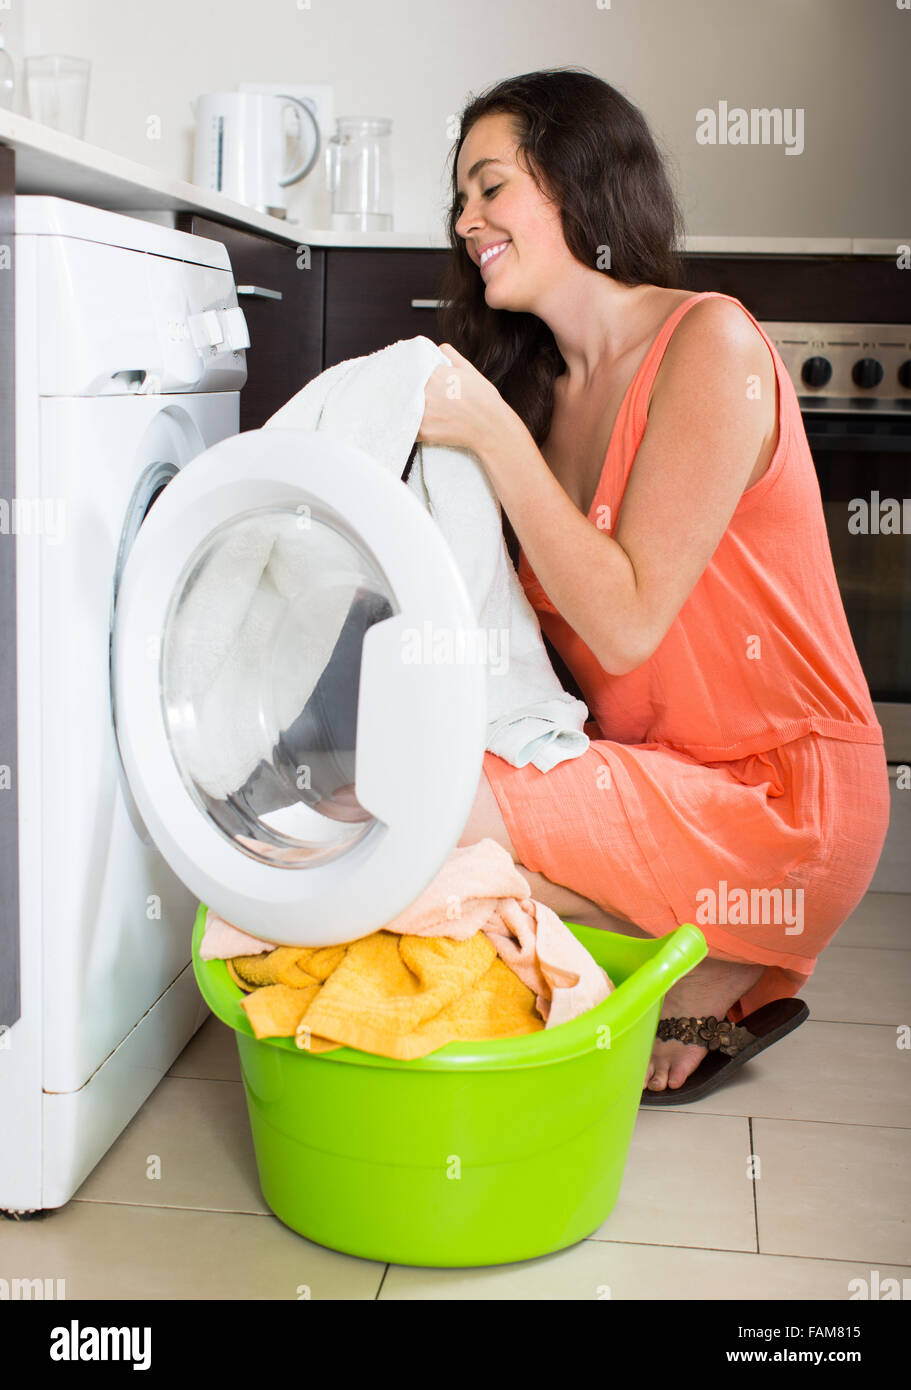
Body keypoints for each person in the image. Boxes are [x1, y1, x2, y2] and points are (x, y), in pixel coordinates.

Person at [415, 67, 890, 1101]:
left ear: (575, 182)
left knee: (419, 807)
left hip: (780, 800)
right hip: (642, 781)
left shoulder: (706, 343)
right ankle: (693, 961)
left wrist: (492, 439)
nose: (464, 220)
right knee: (405, 798)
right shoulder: (539, 389)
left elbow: (625, 625)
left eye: (490, 187)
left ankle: (699, 956)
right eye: (458, 197)